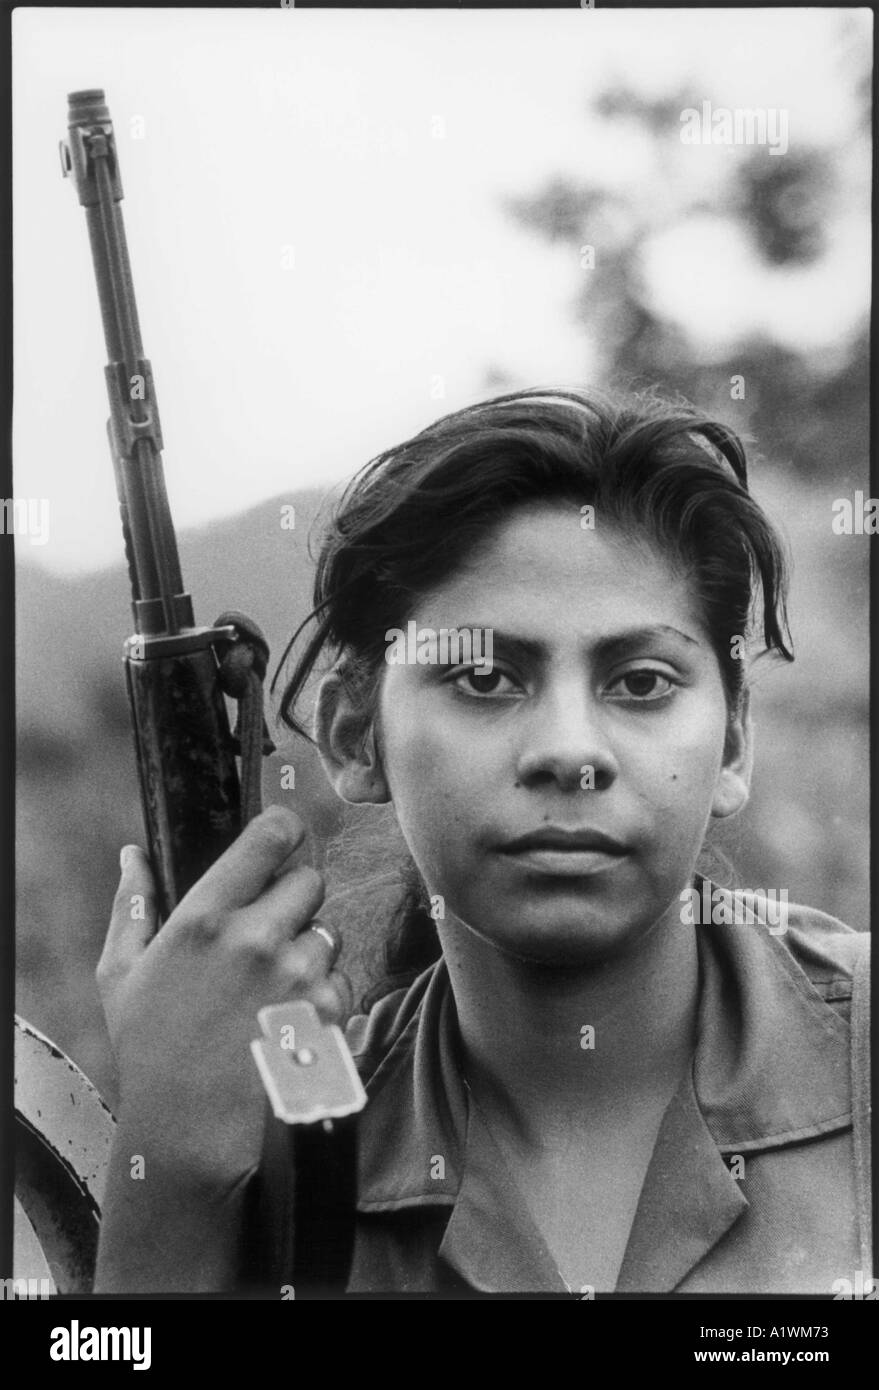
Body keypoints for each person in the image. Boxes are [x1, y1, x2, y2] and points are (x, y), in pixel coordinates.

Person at [94, 387, 870, 1295]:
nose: (569, 753)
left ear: (732, 743)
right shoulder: (284, 1148)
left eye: (642, 681)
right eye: (483, 676)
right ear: (355, 735)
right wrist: (170, 1161)